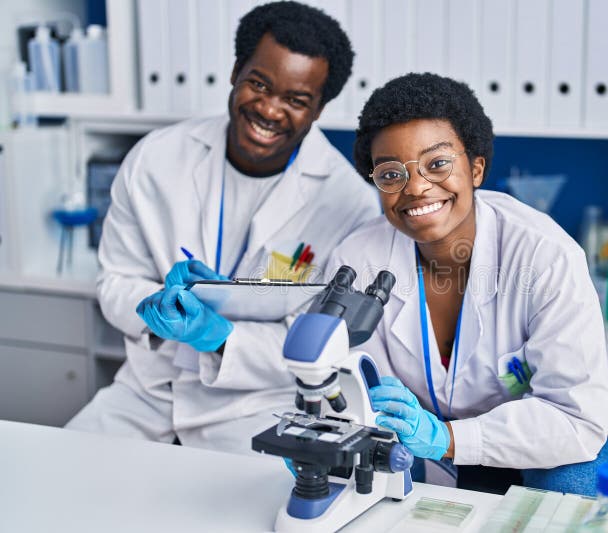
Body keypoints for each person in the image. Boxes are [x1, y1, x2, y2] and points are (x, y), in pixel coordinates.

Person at [325, 73, 608, 506]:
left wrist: (446, 438)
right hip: (426, 438)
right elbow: (340, 381)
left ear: (476, 168)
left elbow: (573, 420)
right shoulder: (356, 260)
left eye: (437, 164)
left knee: (575, 482)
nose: (415, 187)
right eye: (392, 173)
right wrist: (325, 431)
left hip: (554, 434)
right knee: (370, 471)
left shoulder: (546, 256)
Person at [66, 2, 379, 453]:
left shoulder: (347, 204)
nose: (270, 110)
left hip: (251, 408)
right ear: (235, 72)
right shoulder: (156, 158)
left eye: (296, 100)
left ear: (319, 108)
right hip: (147, 392)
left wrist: (221, 337)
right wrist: (156, 308)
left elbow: (325, 340)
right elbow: (115, 280)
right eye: (259, 84)